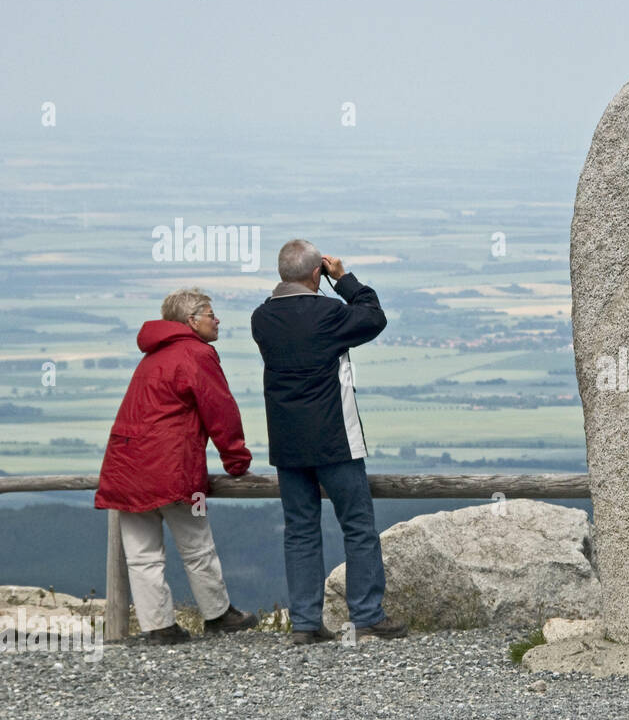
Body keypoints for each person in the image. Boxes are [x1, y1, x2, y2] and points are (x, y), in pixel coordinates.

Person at [251, 239, 407, 645]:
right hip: (335, 439)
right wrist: (344, 279)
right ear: (315, 273)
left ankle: (304, 623)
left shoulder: (261, 319)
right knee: (357, 525)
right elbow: (373, 318)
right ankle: (367, 615)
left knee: (300, 529)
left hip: (287, 443)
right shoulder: (329, 314)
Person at [94, 288, 258, 644]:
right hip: (172, 470)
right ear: (191, 320)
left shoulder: (152, 356)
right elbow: (221, 411)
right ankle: (218, 615)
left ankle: (158, 627)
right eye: (210, 314)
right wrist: (236, 460)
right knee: (197, 544)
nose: (217, 320)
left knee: (141, 554)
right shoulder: (198, 354)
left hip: (124, 468)